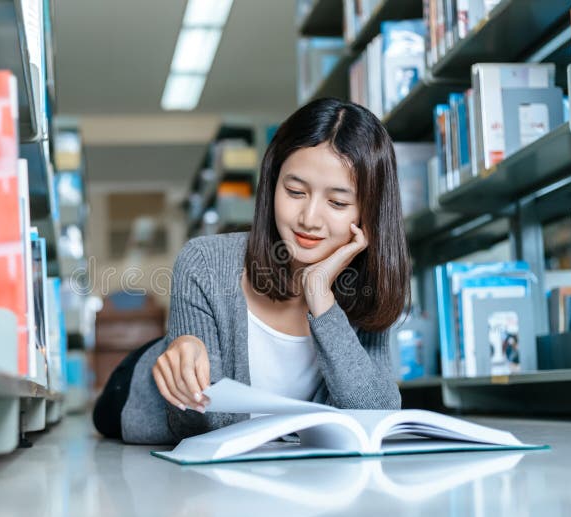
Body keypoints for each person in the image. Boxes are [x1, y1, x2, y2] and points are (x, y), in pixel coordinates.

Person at [93, 97, 411, 444]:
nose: (309, 218)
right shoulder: (204, 261)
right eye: (294, 191)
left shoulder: (366, 289)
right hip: (137, 392)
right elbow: (198, 425)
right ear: (272, 184)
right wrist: (185, 346)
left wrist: (320, 295)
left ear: (368, 212)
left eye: (337, 202)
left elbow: (377, 416)